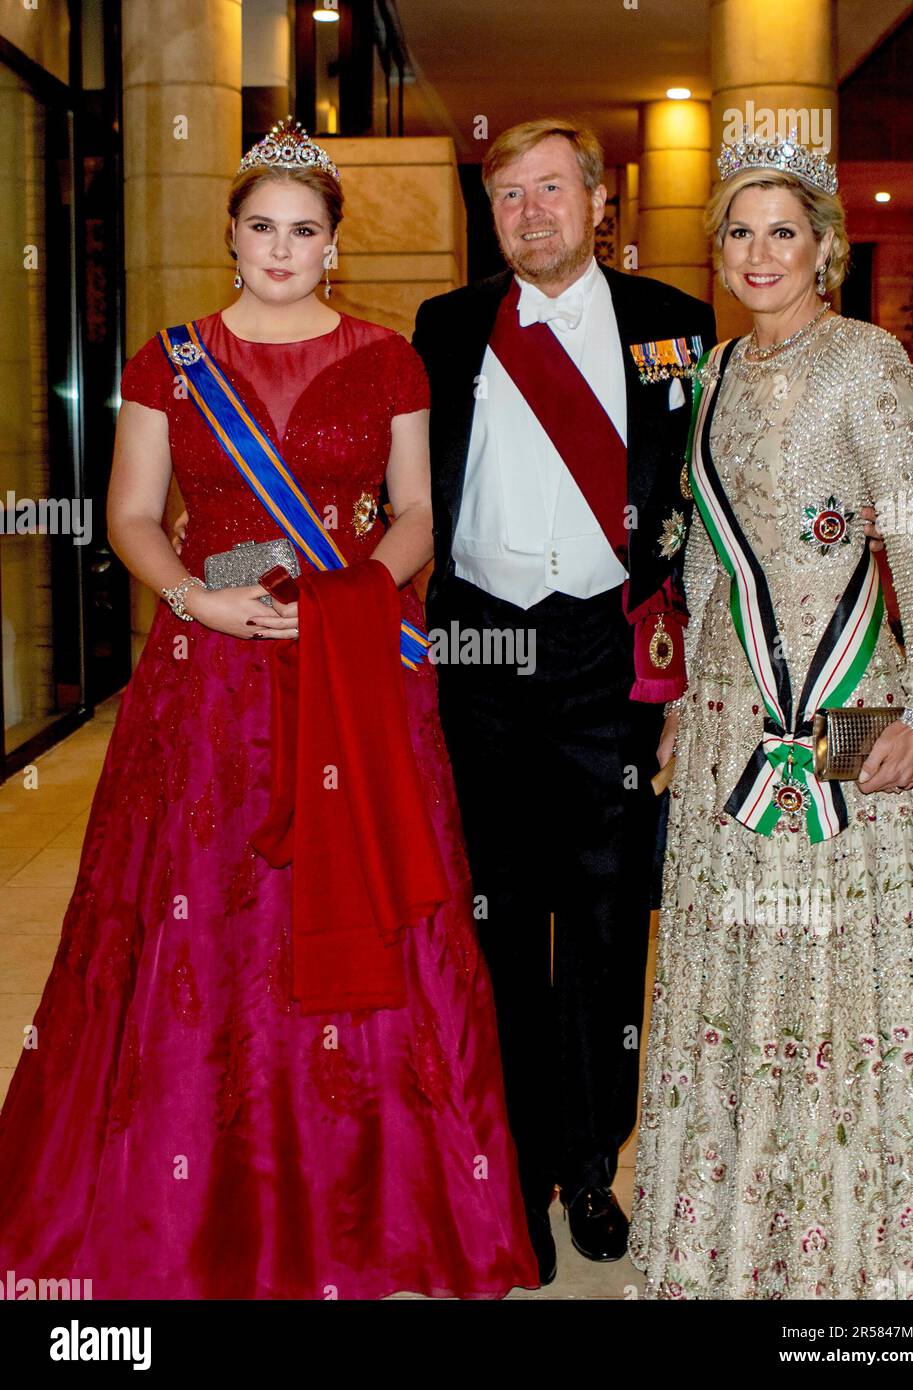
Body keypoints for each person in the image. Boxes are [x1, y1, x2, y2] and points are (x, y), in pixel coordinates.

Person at [0, 118, 538, 1300]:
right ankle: (198, 1198)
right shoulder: (169, 360)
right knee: (205, 917)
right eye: (262, 227)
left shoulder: (389, 359)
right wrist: (199, 600)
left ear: (333, 245)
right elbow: (129, 514)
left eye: (305, 230)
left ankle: (374, 1203)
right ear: (231, 236)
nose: (282, 248)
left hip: (354, 666)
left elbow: (413, 515)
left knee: (367, 901)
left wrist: (354, 598)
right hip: (209, 678)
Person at [628, 128, 913, 1299]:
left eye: (783, 230)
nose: (760, 252)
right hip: (731, 716)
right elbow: (712, 564)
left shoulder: (866, 360)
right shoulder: (710, 372)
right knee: (733, 965)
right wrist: (679, 703)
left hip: (851, 703)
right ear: (716, 250)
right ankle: (733, 1234)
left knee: (837, 961)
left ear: (822, 246)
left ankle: (850, 1246)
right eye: (739, 231)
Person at [411, 118, 717, 1283]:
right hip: (477, 648)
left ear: (598, 201)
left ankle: (591, 1165)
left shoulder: (673, 330)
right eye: (506, 197)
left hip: (605, 654)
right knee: (498, 922)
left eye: (551, 190)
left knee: (598, 924)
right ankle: (518, 1169)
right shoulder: (446, 328)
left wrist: (691, 670)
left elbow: (707, 502)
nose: (529, 213)